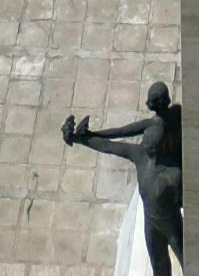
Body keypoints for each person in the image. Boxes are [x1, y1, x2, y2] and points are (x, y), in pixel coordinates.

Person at [65, 84, 184, 276]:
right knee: (158, 265)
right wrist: (84, 138)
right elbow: (110, 145)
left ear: (161, 146)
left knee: (188, 262)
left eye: (150, 145)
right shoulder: (140, 156)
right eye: (146, 143)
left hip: (171, 224)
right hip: (151, 222)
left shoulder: (174, 174)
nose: (146, 147)